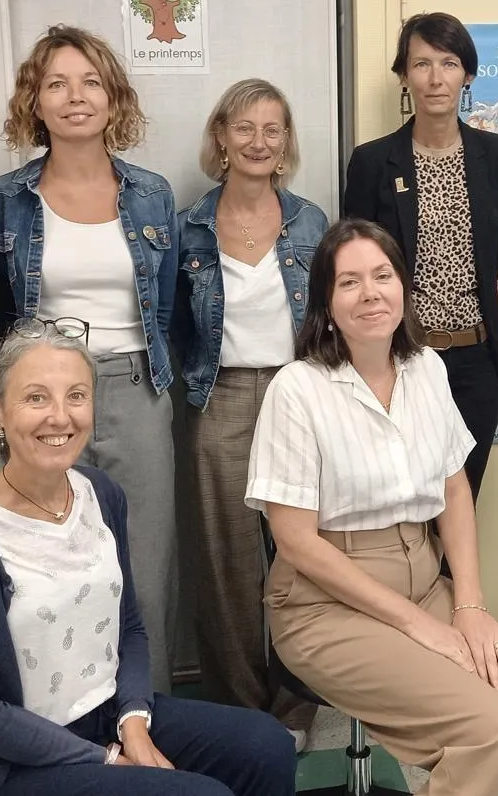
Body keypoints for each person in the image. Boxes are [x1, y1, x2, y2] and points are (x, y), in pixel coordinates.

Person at [247, 219, 498, 796]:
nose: (370, 292)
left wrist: (468, 606)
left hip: (426, 582)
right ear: (325, 301)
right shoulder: (297, 389)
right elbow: (296, 541)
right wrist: (421, 627)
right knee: (491, 733)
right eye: (348, 282)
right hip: (325, 605)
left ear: (404, 286)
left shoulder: (427, 369)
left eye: (382, 275)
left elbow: (453, 490)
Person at [0, 323, 297, 796]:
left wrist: (134, 724)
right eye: (36, 398)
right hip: (14, 760)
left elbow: (131, 629)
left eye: (76, 396)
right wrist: (106, 758)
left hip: (107, 716)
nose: (60, 417)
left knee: (266, 745)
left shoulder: (101, 494)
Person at [0, 25, 180, 691]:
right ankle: (67, 723)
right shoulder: (6, 199)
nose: (75, 97)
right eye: (57, 83)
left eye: (90, 81)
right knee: (52, 565)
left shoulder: (151, 195)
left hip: (134, 387)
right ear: (34, 101)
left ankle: (148, 716)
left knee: (144, 567)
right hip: (44, 397)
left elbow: (172, 304)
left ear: (112, 97)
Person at [174, 78, 328, 749]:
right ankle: (239, 715)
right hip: (222, 397)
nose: (259, 141)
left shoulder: (311, 223)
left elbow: (329, 319)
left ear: (287, 142)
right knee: (226, 564)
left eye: (273, 128)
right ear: (221, 138)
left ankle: (295, 711)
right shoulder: (187, 228)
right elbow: (170, 321)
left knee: (303, 558)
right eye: (245, 127)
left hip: (300, 395)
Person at [343, 11, 498, 502]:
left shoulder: (496, 155)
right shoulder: (374, 161)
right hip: (404, 357)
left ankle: (453, 584)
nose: (436, 78)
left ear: (468, 75)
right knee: (405, 501)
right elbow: (357, 266)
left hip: (477, 359)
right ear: (404, 75)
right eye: (422, 64)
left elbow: (491, 250)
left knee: (463, 499)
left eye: (449, 62)